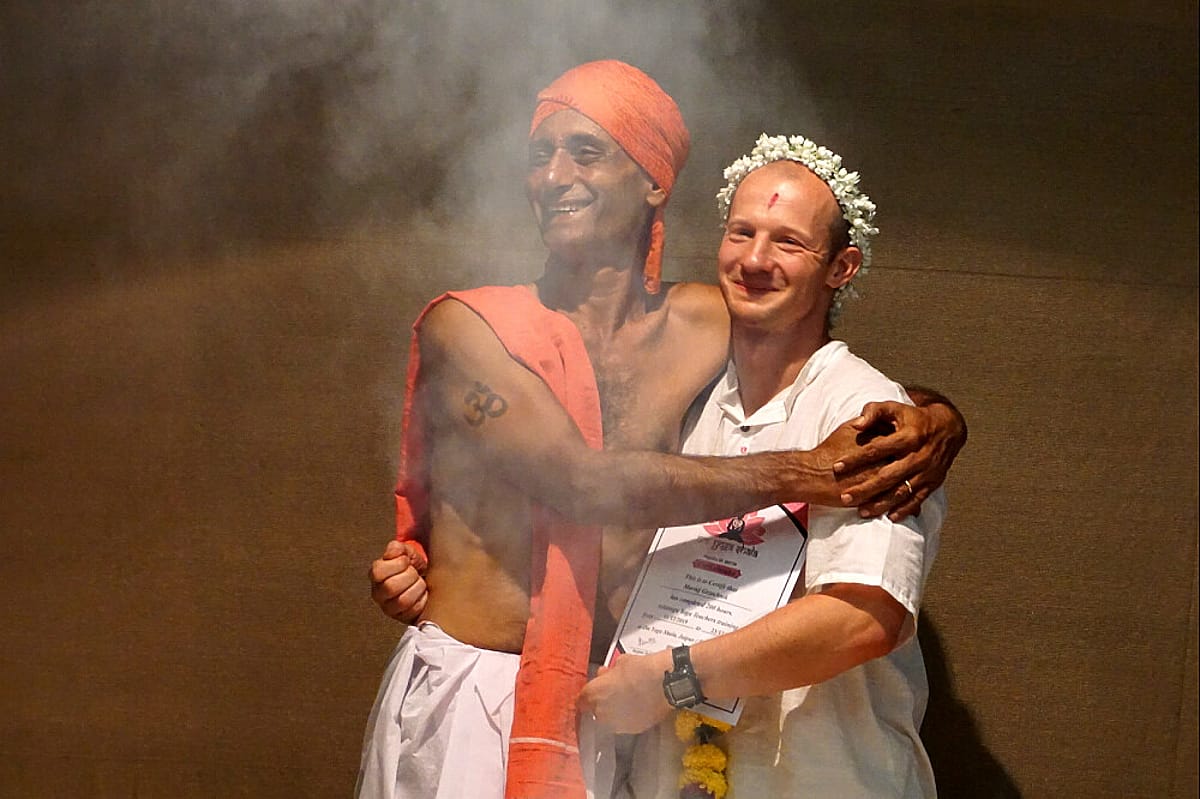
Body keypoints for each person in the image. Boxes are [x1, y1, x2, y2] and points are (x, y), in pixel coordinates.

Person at [358, 61, 965, 799]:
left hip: (616, 706)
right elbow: (580, 481)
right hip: (480, 690)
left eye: (585, 152)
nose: (554, 176)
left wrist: (935, 420)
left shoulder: (704, 322)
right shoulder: (471, 326)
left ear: (653, 181)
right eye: (540, 155)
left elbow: (809, 362)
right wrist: (812, 470)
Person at [577, 134, 944, 798]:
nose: (754, 260)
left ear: (841, 267)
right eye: (741, 232)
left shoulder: (867, 415)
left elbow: (861, 618)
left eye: (788, 242)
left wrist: (669, 679)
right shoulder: (686, 397)